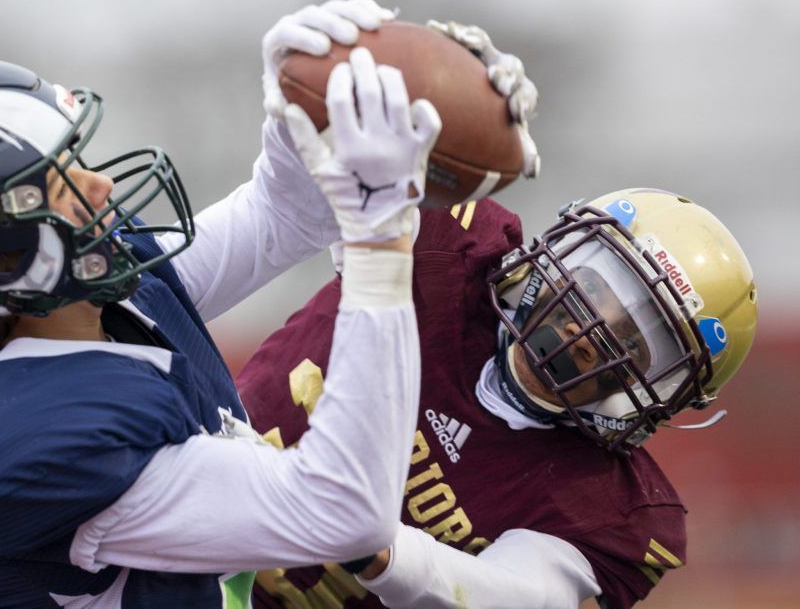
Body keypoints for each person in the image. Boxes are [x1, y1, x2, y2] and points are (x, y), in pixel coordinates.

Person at [0, 0, 447, 607]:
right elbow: (347, 511)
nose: (100, 186)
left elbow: (283, 216)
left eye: (76, 158)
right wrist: (379, 241)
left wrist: (298, 110)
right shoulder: (35, 450)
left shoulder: (73, 299)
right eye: (60, 183)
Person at [238, 188, 758, 608]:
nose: (591, 328)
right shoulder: (450, 246)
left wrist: (381, 549)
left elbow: (513, 595)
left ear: (665, 390)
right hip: (189, 489)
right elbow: (336, 187)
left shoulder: (612, 516)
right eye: (599, 288)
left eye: (633, 341)